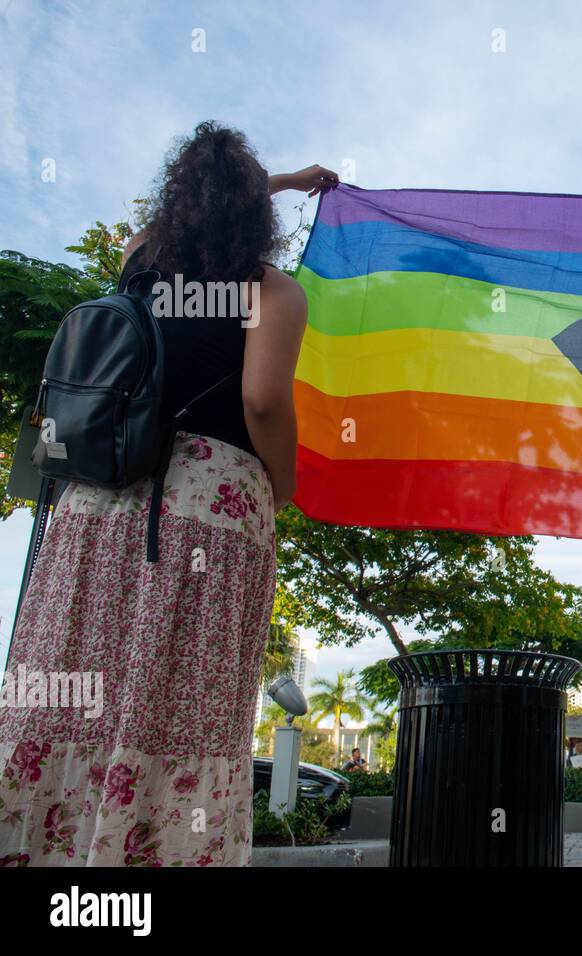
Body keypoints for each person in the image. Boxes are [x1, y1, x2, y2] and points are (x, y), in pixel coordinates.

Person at [0, 122, 333, 867]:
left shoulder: (139, 263)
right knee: (179, 701)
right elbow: (265, 403)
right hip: (205, 513)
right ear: (259, 218)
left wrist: (273, 179)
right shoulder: (271, 289)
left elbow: (158, 225)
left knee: (71, 684)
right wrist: (281, 485)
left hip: (95, 505)